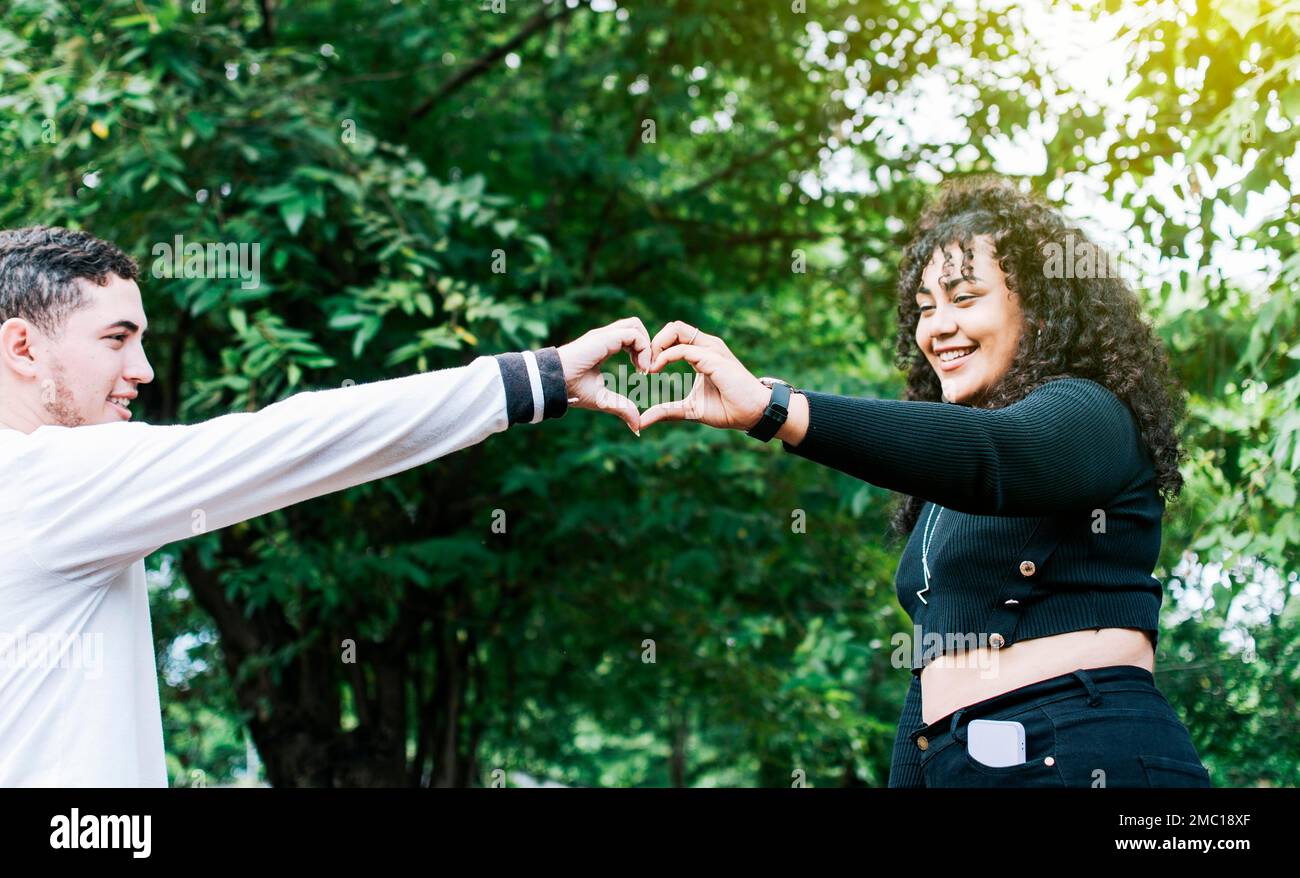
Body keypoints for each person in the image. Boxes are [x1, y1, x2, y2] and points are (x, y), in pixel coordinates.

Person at [0, 225, 651, 786]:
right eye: (116, 340)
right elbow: (290, 443)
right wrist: (538, 378)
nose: (143, 369)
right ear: (23, 349)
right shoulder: (41, 481)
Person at [640, 176, 1212, 788]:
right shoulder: (945, 497)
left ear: (1041, 311)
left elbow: (998, 455)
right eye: (925, 307)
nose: (937, 327)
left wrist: (774, 408)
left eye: (965, 298)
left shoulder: (1091, 413)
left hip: (1083, 751)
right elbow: (933, 686)